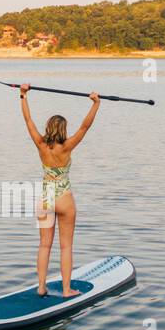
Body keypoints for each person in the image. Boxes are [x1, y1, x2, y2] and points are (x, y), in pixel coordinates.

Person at [18, 83, 99, 297]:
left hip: (45, 199)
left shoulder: (40, 144)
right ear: (63, 129)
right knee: (65, 247)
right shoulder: (68, 146)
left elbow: (28, 120)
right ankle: (66, 290)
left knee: (44, 245)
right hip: (64, 198)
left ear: (48, 128)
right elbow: (85, 127)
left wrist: (23, 95)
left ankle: (41, 286)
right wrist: (95, 104)